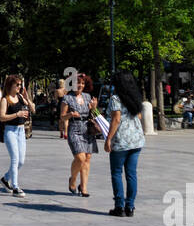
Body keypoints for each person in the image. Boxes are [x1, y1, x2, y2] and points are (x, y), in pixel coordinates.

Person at [104, 70, 146, 217]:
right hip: (136, 139)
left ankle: (119, 206)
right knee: (131, 174)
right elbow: (139, 116)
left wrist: (108, 138)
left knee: (116, 172)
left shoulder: (116, 98)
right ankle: (130, 206)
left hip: (121, 140)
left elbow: (116, 119)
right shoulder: (136, 97)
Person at [60, 73, 97, 196]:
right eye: (77, 83)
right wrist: (70, 115)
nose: (80, 85)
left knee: (87, 159)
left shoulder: (87, 96)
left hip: (87, 129)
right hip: (74, 129)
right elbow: (62, 116)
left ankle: (84, 187)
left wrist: (94, 107)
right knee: (80, 158)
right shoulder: (67, 98)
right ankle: (73, 179)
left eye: (82, 83)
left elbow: (93, 113)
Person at [0, 74, 31, 198]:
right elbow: (2, 117)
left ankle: (6, 179)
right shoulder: (5, 100)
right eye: (17, 84)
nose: (19, 86)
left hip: (21, 131)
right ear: (10, 85)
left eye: (20, 84)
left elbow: (32, 109)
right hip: (10, 131)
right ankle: (15, 186)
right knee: (15, 159)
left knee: (21, 161)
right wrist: (17, 114)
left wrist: (28, 99)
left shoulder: (21, 97)